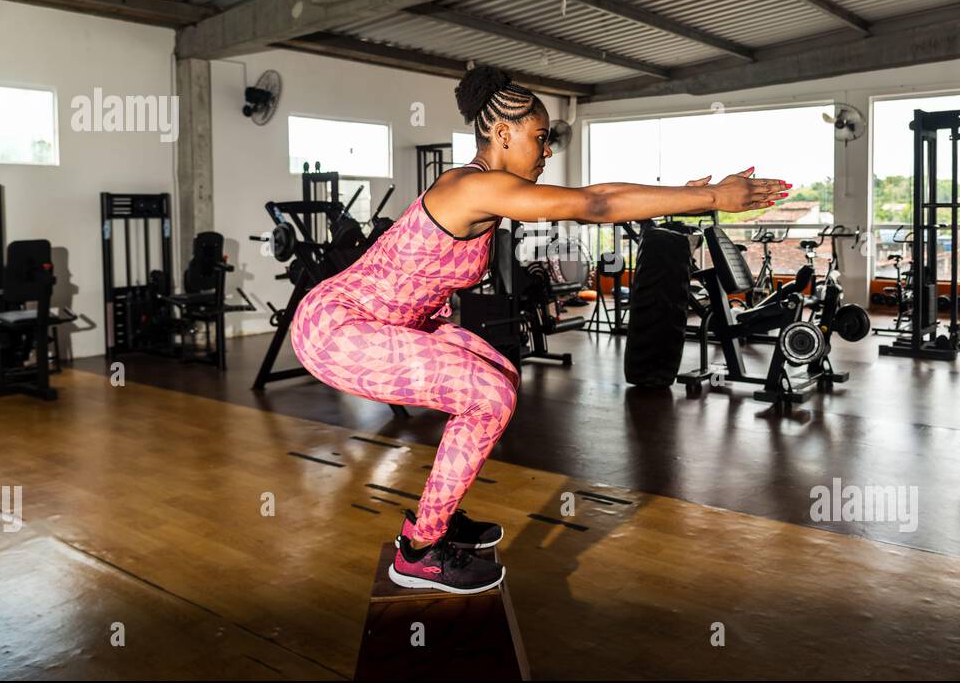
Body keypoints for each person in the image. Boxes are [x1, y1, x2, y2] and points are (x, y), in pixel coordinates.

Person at [290, 65, 791, 594]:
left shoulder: (483, 186)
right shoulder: (470, 187)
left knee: (498, 373)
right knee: (487, 397)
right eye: (540, 137)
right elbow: (593, 205)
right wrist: (710, 200)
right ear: (502, 134)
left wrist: (680, 195)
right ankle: (418, 550)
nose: (546, 150)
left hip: (381, 322)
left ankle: (441, 510)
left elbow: (592, 193)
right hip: (337, 328)